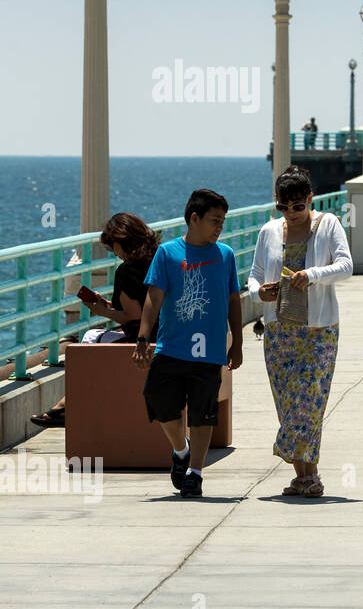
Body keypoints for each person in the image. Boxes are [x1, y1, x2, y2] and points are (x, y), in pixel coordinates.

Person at [249, 166, 354, 498]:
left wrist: (312, 274)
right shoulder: (268, 231)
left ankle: (305, 472)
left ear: (310, 199)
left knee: (308, 401)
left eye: (298, 206)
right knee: (287, 402)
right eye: (283, 207)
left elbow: (346, 265)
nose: (291, 213)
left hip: (319, 330)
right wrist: (257, 293)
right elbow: (253, 274)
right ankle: (307, 477)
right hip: (278, 330)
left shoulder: (329, 224)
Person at [132, 189, 243, 499]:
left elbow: (234, 300)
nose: (219, 227)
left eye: (222, 221)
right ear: (194, 218)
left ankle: (195, 472)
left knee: (203, 412)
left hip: (209, 351)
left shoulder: (226, 255)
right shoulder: (167, 253)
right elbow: (153, 300)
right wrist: (143, 338)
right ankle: (181, 450)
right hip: (171, 347)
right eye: (214, 220)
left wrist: (238, 342)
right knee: (157, 399)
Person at [31, 213, 161, 428]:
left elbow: (134, 315)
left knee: (89, 342)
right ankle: (66, 405)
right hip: (168, 334)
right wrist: (109, 305)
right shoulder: (159, 260)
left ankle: (69, 406)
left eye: (113, 247)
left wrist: (103, 312)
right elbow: (142, 305)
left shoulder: (127, 271)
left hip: (144, 340)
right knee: (94, 337)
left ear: (121, 241)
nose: (114, 253)